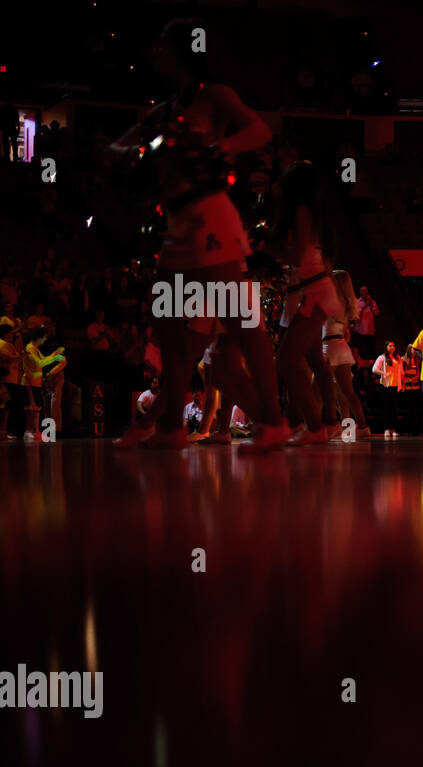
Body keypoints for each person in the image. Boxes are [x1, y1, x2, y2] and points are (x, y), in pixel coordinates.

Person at [110, 18, 283, 451]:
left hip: (212, 219)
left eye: (164, 46)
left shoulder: (214, 94)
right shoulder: (164, 110)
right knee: (169, 327)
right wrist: (146, 152)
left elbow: (260, 130)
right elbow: (117, 148)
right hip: (177, 224)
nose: (156, 54)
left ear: (182, 51)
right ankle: (171, 426)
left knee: (243, 324)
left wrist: (218, 149)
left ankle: (275, 422)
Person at [267, 162, 341, 446]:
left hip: (314, 292)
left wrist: (267, 248)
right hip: (311, 291)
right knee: (305, 359)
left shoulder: (300, 211)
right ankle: (311, 424)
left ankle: (313, 425)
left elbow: (296, 256)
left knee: (286, 360)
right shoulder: (308, 212)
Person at [324, 270, 370, 438]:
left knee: (323, 389)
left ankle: (328, 426)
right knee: (347, 392)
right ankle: (362, 426)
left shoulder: (334, 300)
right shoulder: (345, 302)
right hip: (339, 345)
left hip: (329, 345)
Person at [371, 340, 405, 436]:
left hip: (395, 386)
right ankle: (386, 429)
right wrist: (384, 373)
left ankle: (393, 429)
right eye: (390, 346)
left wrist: (403, 384)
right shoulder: (382, 357)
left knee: (394, 409)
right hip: (386, 386)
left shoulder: (397, 358)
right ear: (386, 347)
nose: (392, 348)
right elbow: (374, 369)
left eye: (393, 346)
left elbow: (402, 372)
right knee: (387, 408)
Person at [353, 285, 378, 359]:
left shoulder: (372, 302)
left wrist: (370, 304)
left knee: (371, 352)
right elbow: (357, 317)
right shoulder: (357, 302)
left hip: (370, 331)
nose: (365, 292)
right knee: (360, 351)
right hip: (361, 332)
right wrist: (365, 305)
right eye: (363, 291)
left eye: (366, 291)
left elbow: (377, 313)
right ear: (360, 292)